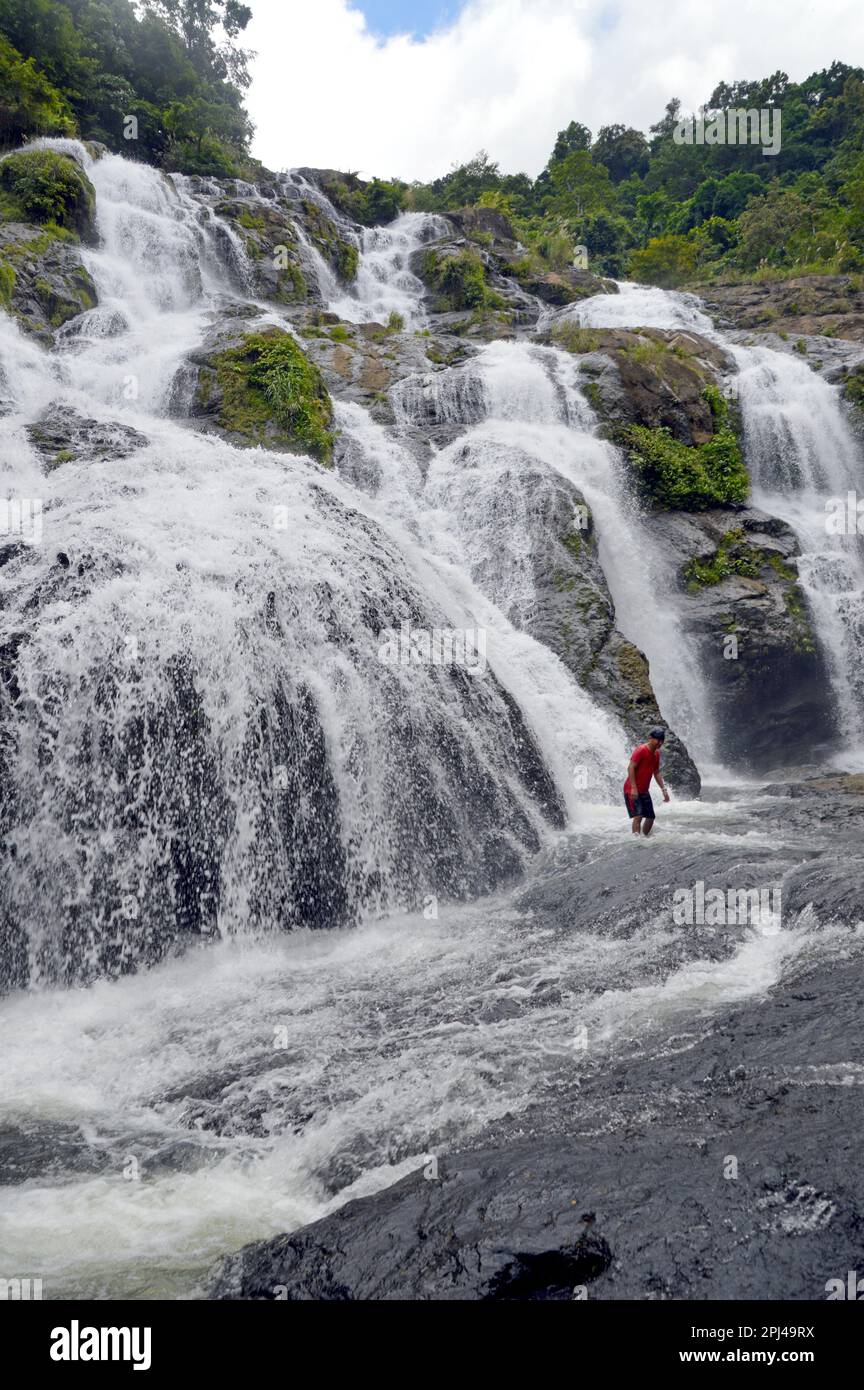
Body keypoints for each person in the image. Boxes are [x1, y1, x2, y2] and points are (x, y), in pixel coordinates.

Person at [624, 728, 670, 837]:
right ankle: (635, 841)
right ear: (650, 738)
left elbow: (656, 772)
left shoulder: (656, 754)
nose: (660, 743)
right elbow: (631, 768)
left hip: (644, 790)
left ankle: (645, 838)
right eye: (657, 740)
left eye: (662, 740)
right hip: (631, 789)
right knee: (638, 816)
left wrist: (664, 790)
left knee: (650, 817)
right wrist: (634, 788)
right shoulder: (641, 750)